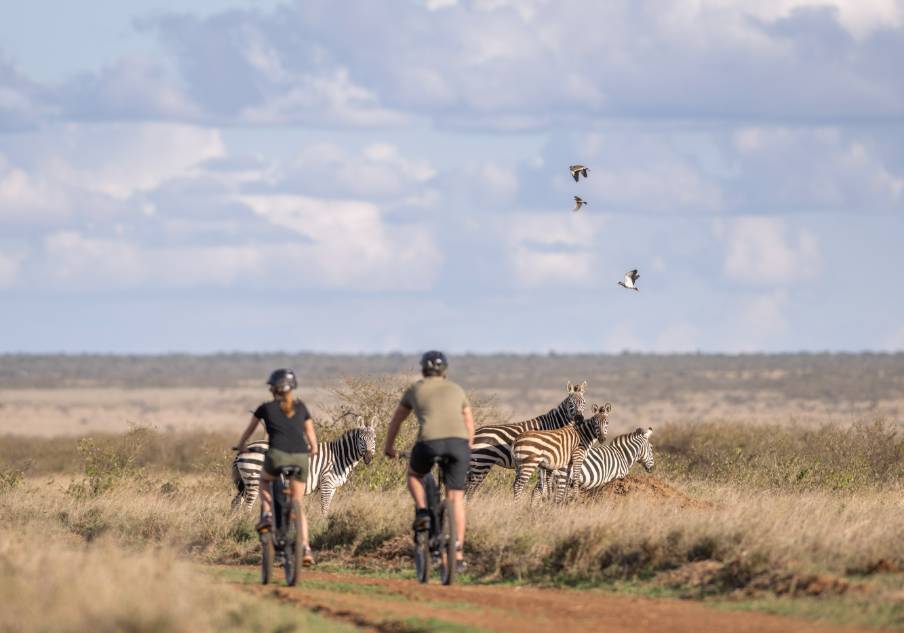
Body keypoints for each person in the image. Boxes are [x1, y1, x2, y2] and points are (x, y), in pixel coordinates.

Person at [383, 351, 475, 570]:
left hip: (429, 443)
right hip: (458, 445)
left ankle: (423, 510)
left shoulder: (415, 389)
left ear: (423, 369)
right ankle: (458, 553)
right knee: (456, 498)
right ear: (445, 370)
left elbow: (397, 420)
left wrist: (389, 447)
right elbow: (469, 423)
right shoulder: (456, 389)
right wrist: (467, 448)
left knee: (414, 475)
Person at [236, 368, 318, 566]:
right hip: (300, 458)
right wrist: (312, 450)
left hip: (277, 456)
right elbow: (312, 440)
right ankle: (305, 548)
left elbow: (248, 433)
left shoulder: (265, 408)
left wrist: (242, 446)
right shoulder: (301, 407)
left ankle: (267, 514)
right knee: (298, 503)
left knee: (264, 480)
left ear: (273, 389)